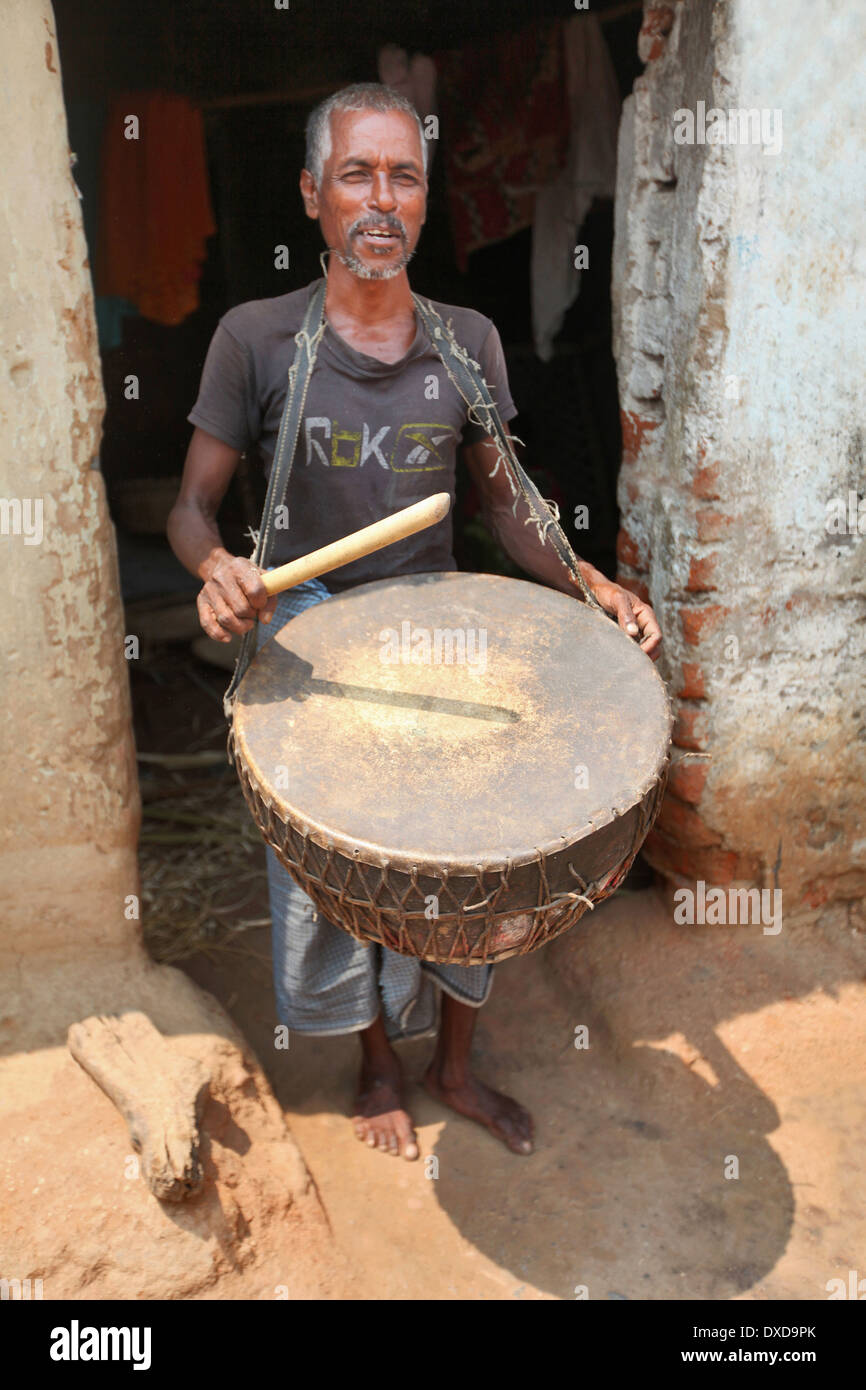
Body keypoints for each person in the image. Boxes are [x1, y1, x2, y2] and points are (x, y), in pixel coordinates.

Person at [168, 83, 662, 1164]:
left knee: (475, 851)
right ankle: (379, 1064)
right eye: (356, 174)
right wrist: (216, 567)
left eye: (403, 176)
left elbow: (506, 505)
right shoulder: (254, 341)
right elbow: (191, 506)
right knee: (339, 869)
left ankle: (453, 1063)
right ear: (312, 195)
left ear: (425, 200)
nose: (379, 199)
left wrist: (591, 582)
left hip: (442, 625)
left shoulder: (467, 341)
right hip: (306, 625)